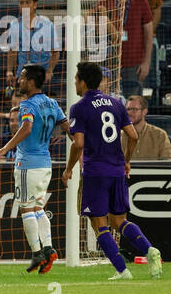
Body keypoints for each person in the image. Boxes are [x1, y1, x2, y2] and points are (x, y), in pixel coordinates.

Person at [62, 61, 162, 280]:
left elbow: (78, 144)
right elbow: (133, 136)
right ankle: (150, 250)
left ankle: (122, 270)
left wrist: (68, 169)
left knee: (100, 224)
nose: (75, 83)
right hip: (117, 171)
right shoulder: (116, 103)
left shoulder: (79, 107)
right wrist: (126, 161)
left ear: (84, 82)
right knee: (119, 221)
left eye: (76, 79)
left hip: (95, 172)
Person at [0, 63, 68, 274]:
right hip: (46, 164)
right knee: (38, 209)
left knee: (26, 209)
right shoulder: (53, 103)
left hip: (28, 164)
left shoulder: (27, 105)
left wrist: (4, 149)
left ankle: (37, 253)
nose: (19, 81)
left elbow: (26, 128)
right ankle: (49, 248)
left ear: (32, 82)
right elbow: (68, 128)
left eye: (23, 77)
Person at [121, 94, 171, 160]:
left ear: (144, 112)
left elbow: (167, 163)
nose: (130, 113)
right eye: (128, 109)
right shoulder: (119, 136)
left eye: (134, 109)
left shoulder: (160, 135)